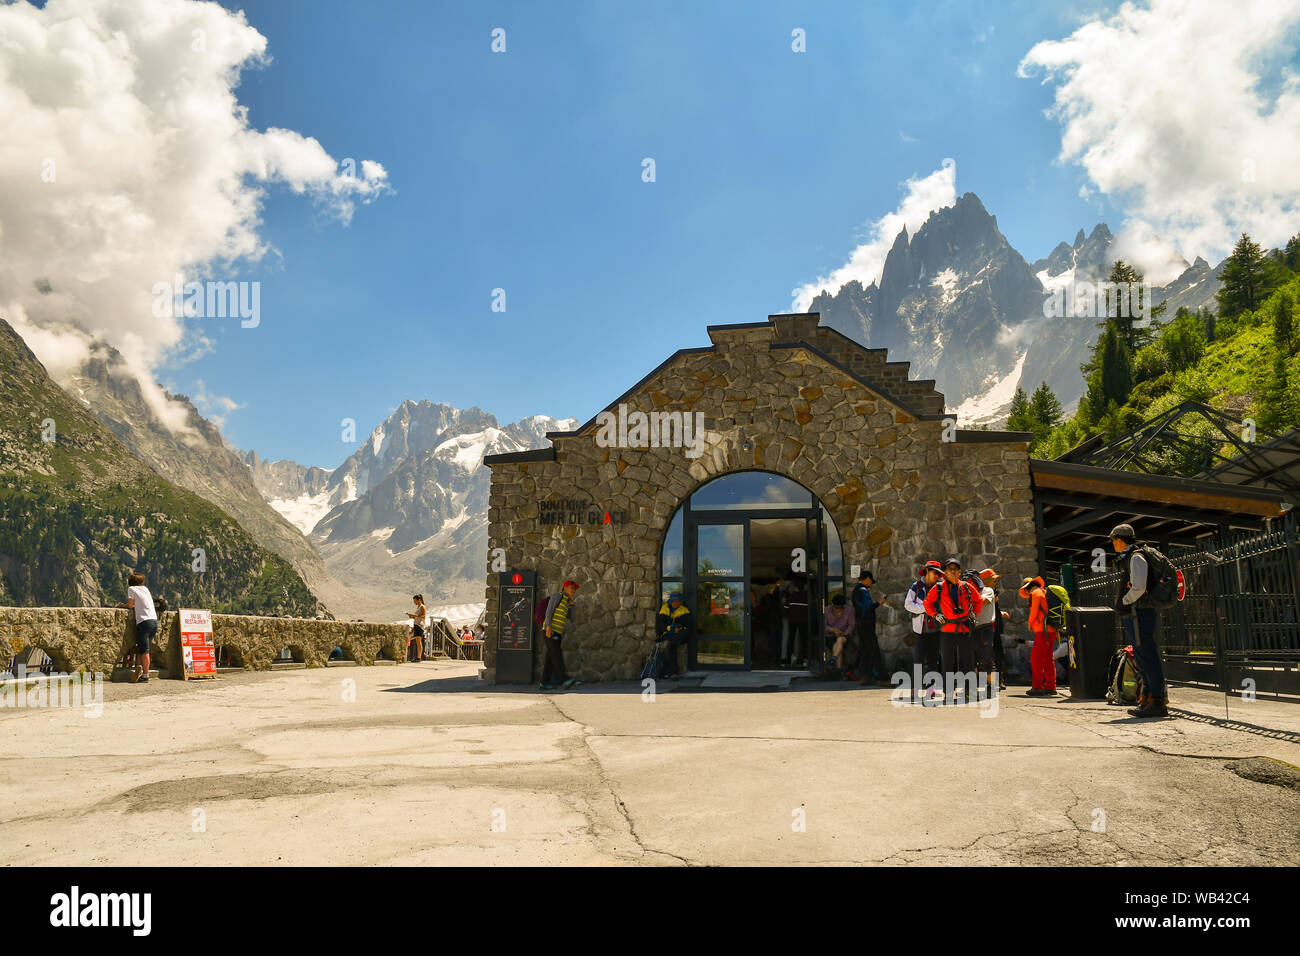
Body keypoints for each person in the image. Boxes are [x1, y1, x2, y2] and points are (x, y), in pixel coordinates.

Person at [1111, 523, 1169, 718]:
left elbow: (1138, 588)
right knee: (1142, 657)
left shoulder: (1136, 557)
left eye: (1113, 540)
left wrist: (1125, 600)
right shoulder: (1130, 557)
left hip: (1139, 613)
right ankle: (1147, 698)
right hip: (1136, 613)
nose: (1113, 544)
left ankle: (1157, 701)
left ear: (1119, 540)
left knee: (1147, 656)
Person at [924, 558, 983, 705]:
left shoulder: (967, 587)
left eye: (956, 569)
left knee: (967, 661)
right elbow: (927, 603)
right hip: (947, 629)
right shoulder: (938, 587)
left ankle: (969, 691)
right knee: (948, 663)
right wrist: (935, 615)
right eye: (950, 569)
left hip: (964, 628)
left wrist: (974, 613)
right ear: (944, 572)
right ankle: (949, 692)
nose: (953, 571)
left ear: (960, 571)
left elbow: (979, 601)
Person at [905, 560, 944, 701]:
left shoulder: (940, 587)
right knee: (918, 659)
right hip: (920, 628)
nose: (937, 576)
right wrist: (925, 609)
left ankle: (931, 688)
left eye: (939, 573)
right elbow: (908, 604)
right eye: (935, 572)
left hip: (936, 628)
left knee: (933, 659)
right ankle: (915, 688)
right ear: (927, 571)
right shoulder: (916, 586)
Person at [1018, 575, 1058, 697]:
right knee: (1048, 659)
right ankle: (1051, 686)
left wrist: (1030, 624)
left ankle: (1037, 687)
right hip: (1051, 631)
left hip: (1042, 631)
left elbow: (1034, 610)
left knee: (1036, 659)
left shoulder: (1035, 593)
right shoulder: (1044, 592)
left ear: (1027, 588)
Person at [115, 572, 157, 684]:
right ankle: (139, 670)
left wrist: (120, 605)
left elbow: (130, 605)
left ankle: (145, 675)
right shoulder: (145, 589)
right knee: (142, 648)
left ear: (130, 582)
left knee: (144, 650)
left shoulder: (131, 589)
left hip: (144, 622)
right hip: (153, 620)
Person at [542, 579, 581, 691]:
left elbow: (572, 618)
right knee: (557, 655)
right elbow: (549, 611)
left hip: (558, 632)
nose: (573, 591)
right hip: (550, 631)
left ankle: (544, 683)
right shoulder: (558, 596)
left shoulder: (566, 601)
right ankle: (563, 679)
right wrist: (548, 627)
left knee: (550, 658)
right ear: (565, 587)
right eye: (572, 588)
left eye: (574, 589)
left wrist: (572, 606)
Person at [851, 570, 889, 686]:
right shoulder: (863, 590)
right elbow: (868, 608)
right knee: (874, 650)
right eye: (870, 581)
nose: (870, 584)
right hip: (867, 625)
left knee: (865, 652)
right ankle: (883, 678)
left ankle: (865, 677)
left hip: (861, 624)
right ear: (867, 578)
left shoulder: (855, 591)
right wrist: (879, 603)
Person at [971, 569, 999, 698]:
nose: (995, 581)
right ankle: (980, 686)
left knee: (987, 659)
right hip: (973, 628)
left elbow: (981, 602)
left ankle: (991, 687)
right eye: (993, 578)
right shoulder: (975, 591)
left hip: (985, 628)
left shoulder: (988, 591)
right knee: (974, 659)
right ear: (985, 579)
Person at [656, 591, 692, 678]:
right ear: (671, 601)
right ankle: (670, 672)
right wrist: (671, 629)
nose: (676, 603)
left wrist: (679, 629)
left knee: (671, 645)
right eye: (674, 601)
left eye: (678, 601)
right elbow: (661, 625)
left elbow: (688, 626)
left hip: (678, 635)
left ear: (680, 601)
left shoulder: (684, 611)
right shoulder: (664, 609)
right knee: (668, 647)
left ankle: (673, 673)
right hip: (668, 634)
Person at [825, 593, 856, 675]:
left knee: (840, 640)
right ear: (833, 605)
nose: (838, 610)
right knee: (839, 647)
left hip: (844, 636)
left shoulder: (848, 610)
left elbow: (851, 625)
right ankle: (838, 669)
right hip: (830, 635)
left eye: (840, 608)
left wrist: (845, 633)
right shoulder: (827, 610)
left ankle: (832, 661)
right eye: (836, 608)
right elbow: (823, 626)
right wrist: (832, 630)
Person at [784, 575, 810, 667]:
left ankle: (789, 660)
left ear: (795, 587)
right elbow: (810, 609)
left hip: (792, 621)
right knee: (804, 640)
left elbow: (786, 609)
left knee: (791, 639)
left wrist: (789, 615)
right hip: (804, 621)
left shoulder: (791, 596)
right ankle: (806, 659)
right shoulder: (807, 596)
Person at [407, 594, 426, 661]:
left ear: (419, 600)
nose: (414, 602)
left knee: (418, 641)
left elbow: (423, 616)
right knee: (417, 641)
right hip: (416, 624)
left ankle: (419, 657)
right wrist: (413, 616)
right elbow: (418, 616)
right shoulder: (418, 607)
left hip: (420, 625)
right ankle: (418, 657)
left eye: (415, 601)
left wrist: (415, 615)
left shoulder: (422, 607)